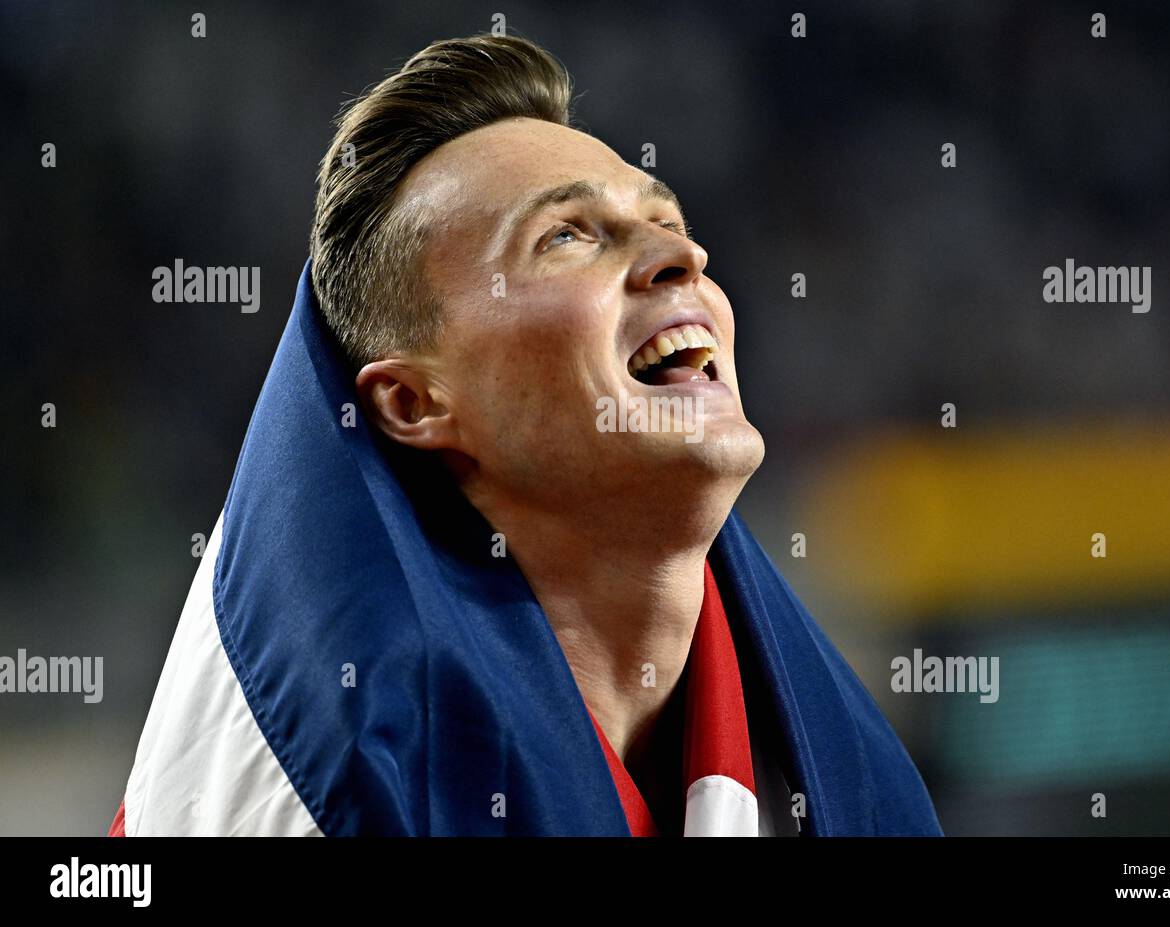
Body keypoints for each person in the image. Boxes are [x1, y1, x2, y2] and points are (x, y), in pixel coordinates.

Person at [108, 32, 942, 837]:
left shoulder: (851, 782)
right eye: (567, 236)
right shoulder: (329, 790)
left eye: (665, 218)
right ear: (413, 403)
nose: (678, 254)